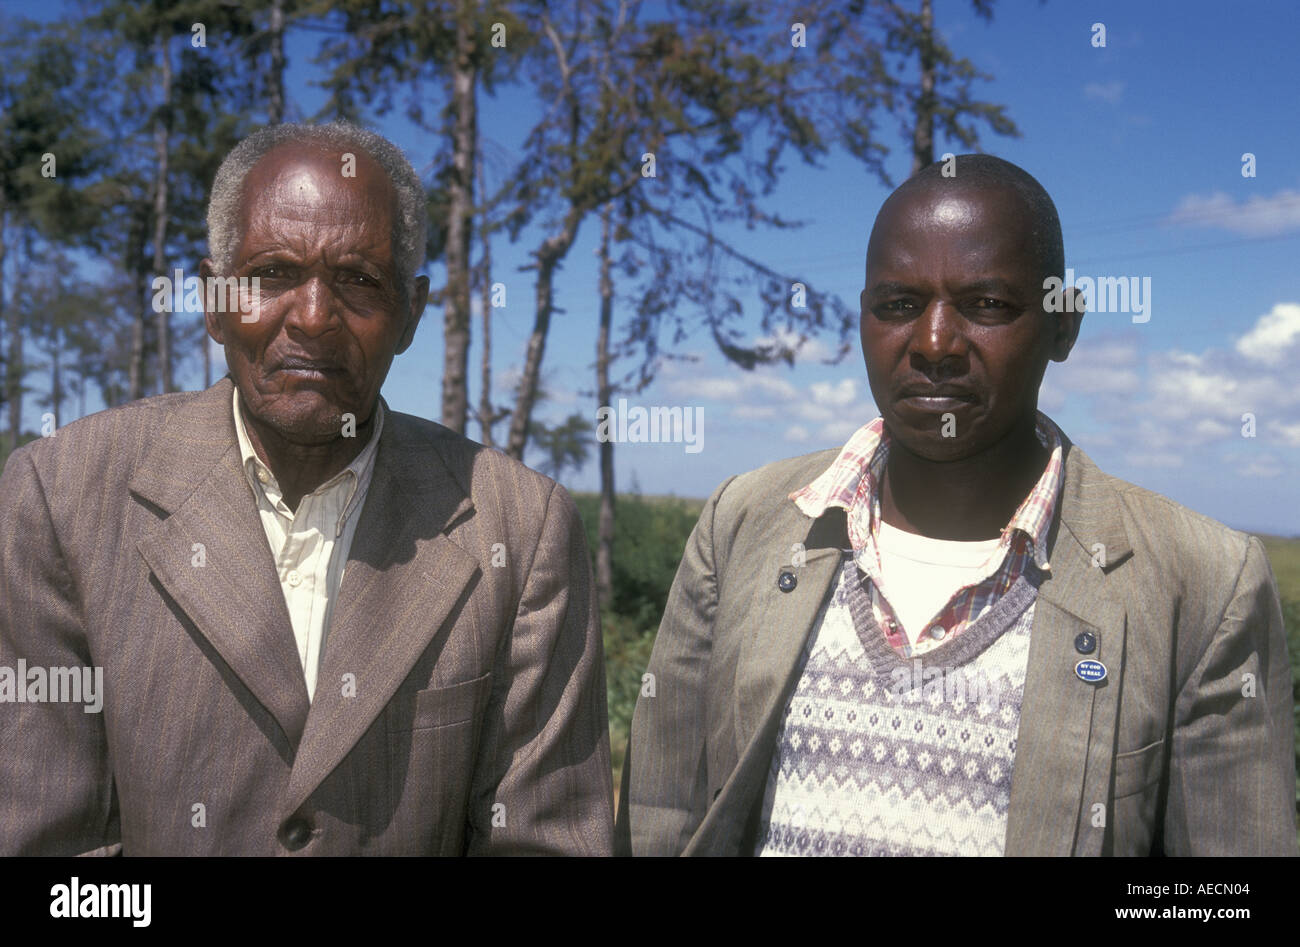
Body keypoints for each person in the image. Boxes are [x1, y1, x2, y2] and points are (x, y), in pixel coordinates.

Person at [615, 154, 1297, 856]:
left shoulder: (1202, 582)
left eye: (988, 305)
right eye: (898, 304)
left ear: (1064, 325)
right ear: (863, 318)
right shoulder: (746, 524)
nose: (934, 343)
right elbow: (659, 812)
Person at [0, 122, 613, 856]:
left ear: (412, 311)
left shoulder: (521, 526)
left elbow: (543, 842)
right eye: (273, 273)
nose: (315, 317)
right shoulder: (61, 495)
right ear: (214, 298)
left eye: (358, 280)